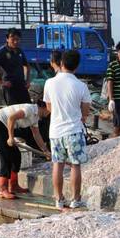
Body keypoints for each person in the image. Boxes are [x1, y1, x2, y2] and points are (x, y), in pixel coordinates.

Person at [42, 49, 92, 211]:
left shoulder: (49, 83)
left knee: (58, 165)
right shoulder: (81, 86)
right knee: (75, 166)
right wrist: (79, 116)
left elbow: (49, 107)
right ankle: (75, 199)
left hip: (55, 131)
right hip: (74, 130)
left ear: (61, 63)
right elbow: (86, 111)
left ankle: (58, 199)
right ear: (77, 66)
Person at [0, 100, 48, 199]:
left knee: (16, 155)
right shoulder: (30, 109)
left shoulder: (36, 117)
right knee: (6, 156)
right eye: (49, 109)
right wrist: (11, 137)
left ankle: (13, 185)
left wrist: (45, 150)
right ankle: (2, 189)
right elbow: (11, 118)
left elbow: (36, 134)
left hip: (6, 126)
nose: (50, 112)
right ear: (43, 107)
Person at [0, 29, 32, 106]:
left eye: (17, 39)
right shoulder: (2, 51)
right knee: (13, 109)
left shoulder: (19, 51)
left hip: (21, 86)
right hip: (10, 87)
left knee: (27, 108)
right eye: (13, 40)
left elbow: (27, 66)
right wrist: (0, 82)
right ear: (7, 39)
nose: (15, 42)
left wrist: (28, 80)